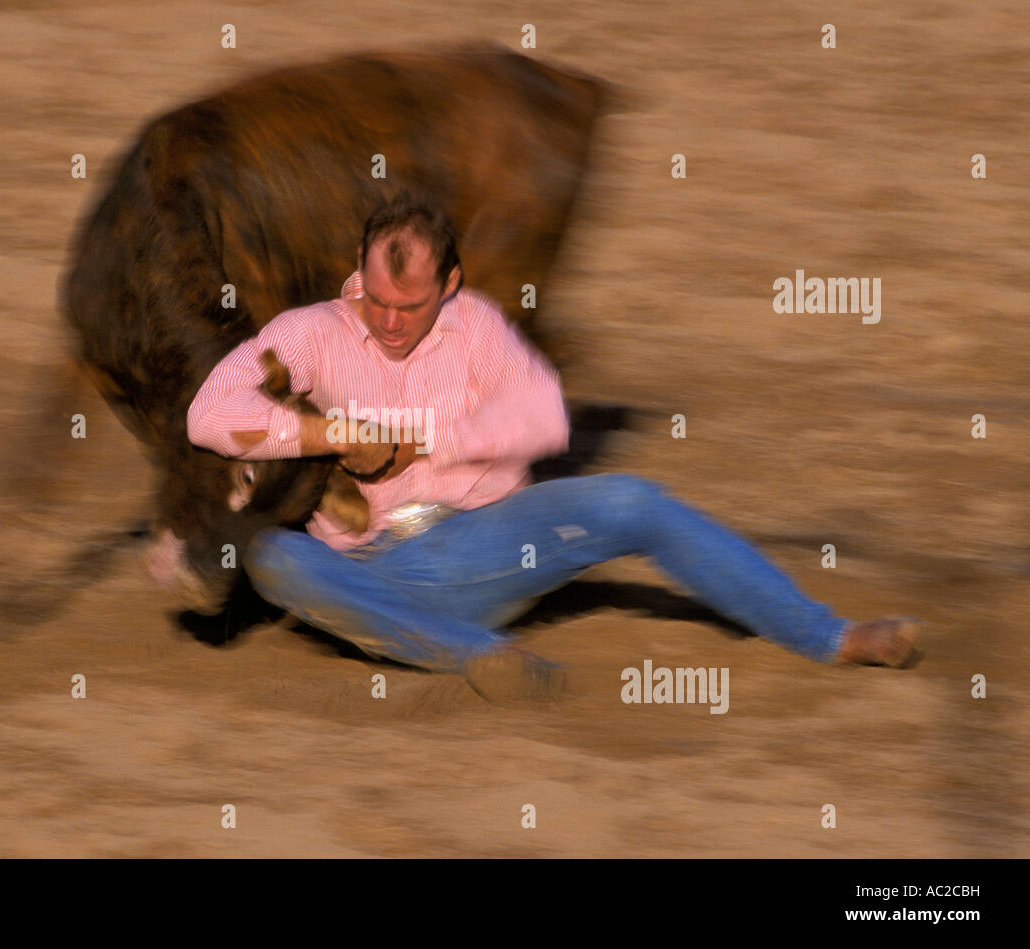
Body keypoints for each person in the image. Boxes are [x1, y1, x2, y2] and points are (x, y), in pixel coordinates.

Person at [186, 195, 921, 700]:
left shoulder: (475, 324)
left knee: (634, 499)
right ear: (359, 265)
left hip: (491, 545)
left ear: (450, 282)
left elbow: (544, 416)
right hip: (370, 569)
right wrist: (331, 433)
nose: (389, 320)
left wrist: (424, 442)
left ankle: (828, 634)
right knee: (273, 559)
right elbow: (209, 414)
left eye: (410, 306)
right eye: (376, 299)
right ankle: (478, 656)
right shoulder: (311, 330)